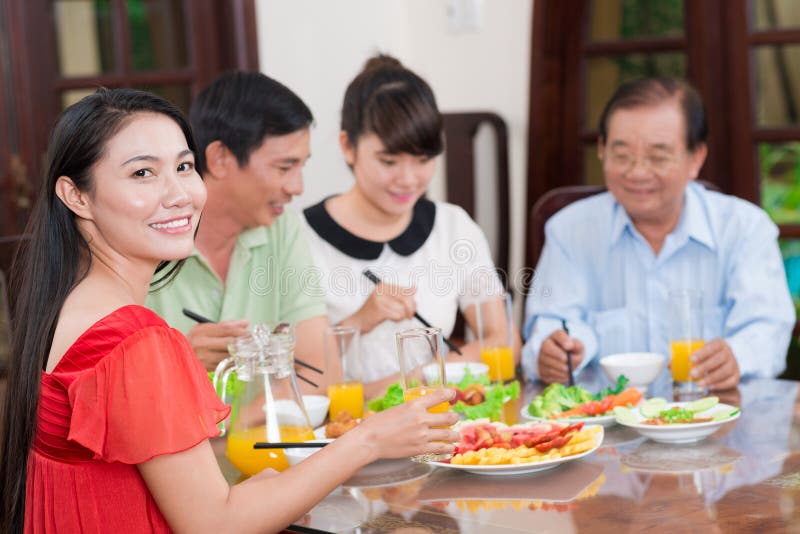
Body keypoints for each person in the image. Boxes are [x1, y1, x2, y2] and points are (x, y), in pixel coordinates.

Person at [0, 88, 459, 533]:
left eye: (183, 166)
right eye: (143, 174)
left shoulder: (69, 302)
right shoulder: (137, 339)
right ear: (75, 195)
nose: (179, 193)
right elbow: (217, 523)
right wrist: (369, 439)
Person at [522, 77, 795, 390]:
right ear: (601, 150)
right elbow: (550, 323)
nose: (637, 172)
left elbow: (768, 330)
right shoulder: (569, 230)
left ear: (696, 158)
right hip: (606, 429)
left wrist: (738, 356)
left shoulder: (744, 228)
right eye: (622, 155)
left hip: (716, 423)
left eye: (658, 156)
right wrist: (555, 352)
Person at [302, 54, 521, 396]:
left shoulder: (453, 227)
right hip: (347, 432)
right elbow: (300, 377)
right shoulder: (301, 239)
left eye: (423, 160)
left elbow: (503, 342)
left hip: (441, 424)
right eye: (388, 161)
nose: (408, 180)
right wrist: (359, 321)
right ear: (348, 146)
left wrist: (425, 378)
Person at [146, 72, 328, 385]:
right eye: (284, 167)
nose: (297, 187)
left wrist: (238, 425)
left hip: (269, 436)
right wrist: (178, 361)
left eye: (302, 166)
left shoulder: (282, 228)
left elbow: (319, 376)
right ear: (219, 159)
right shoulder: (145, 240)